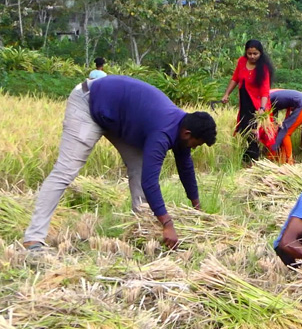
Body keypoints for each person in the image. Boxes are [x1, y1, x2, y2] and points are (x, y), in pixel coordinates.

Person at [22, 75, 217, 251]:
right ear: (187, 134)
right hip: (89, 104)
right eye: (195, 145)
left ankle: (143, 231)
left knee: (139, 169)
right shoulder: (163, 133)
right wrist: (168, 223)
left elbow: (186, 167)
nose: (193, 148)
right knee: (65, 171)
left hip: (115, 116)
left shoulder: (182, 127)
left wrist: (197, 207)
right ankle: (33, 238)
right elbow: (150, 183)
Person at [221, 40, 276, 162]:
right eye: (249, 53)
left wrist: (261, 109)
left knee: (255, 132)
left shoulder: (263, 68)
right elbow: (235, 78)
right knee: (243, 130)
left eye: (255, 54)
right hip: (245, 103)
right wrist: (226, 94)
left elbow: (264, 91)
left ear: (260, 53)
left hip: (257, 106)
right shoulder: (241, 62)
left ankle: (253, 160)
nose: (252, 56)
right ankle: (246, 158)